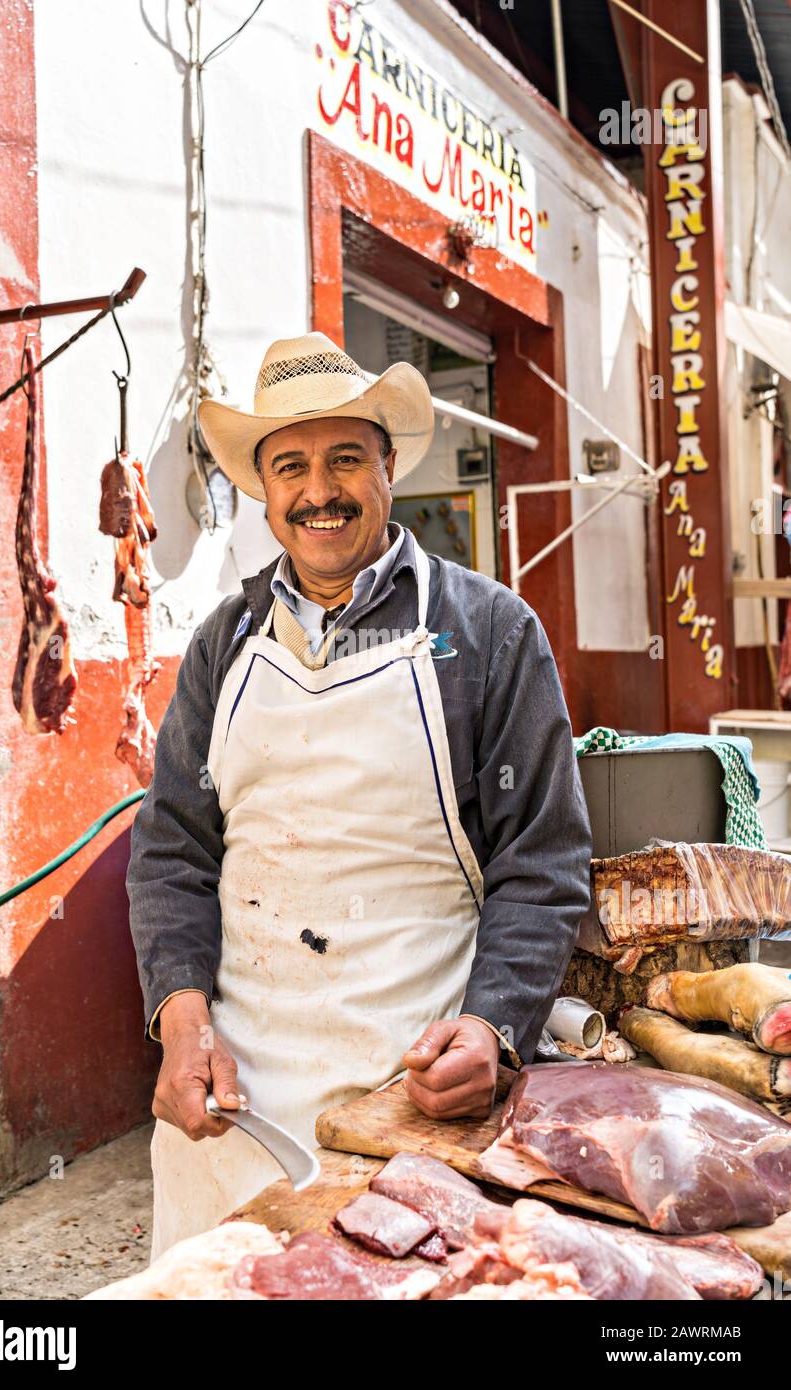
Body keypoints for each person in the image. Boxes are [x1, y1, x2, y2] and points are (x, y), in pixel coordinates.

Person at [127, 331, 592, 1258]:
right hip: (235, 1102)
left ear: (389, 469)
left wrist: (493, 1030)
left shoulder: (489, 632)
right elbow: (174, 849)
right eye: (290, 466)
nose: (319, 491)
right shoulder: (223, 644)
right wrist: (181, 1024)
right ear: (264, 492)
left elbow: (541, 863)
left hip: (413, 1084)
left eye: (346, 458)